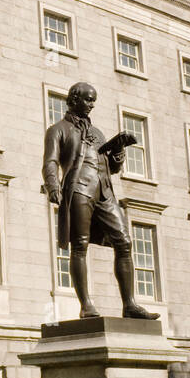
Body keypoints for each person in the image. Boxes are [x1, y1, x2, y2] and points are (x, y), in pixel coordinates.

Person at [43, 80, 159, 320]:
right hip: (79, 189)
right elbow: (51, 161)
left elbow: (112, 168)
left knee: (124, 242)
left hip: (105, 192)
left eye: (94, 100)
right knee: (80, 245)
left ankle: (129, 305)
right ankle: (86, 305)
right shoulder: (58, 130)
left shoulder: (97, 134)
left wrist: (118, 155)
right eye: (88, 99)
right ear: (74, 99)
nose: (91, 105)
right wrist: (53, 184)